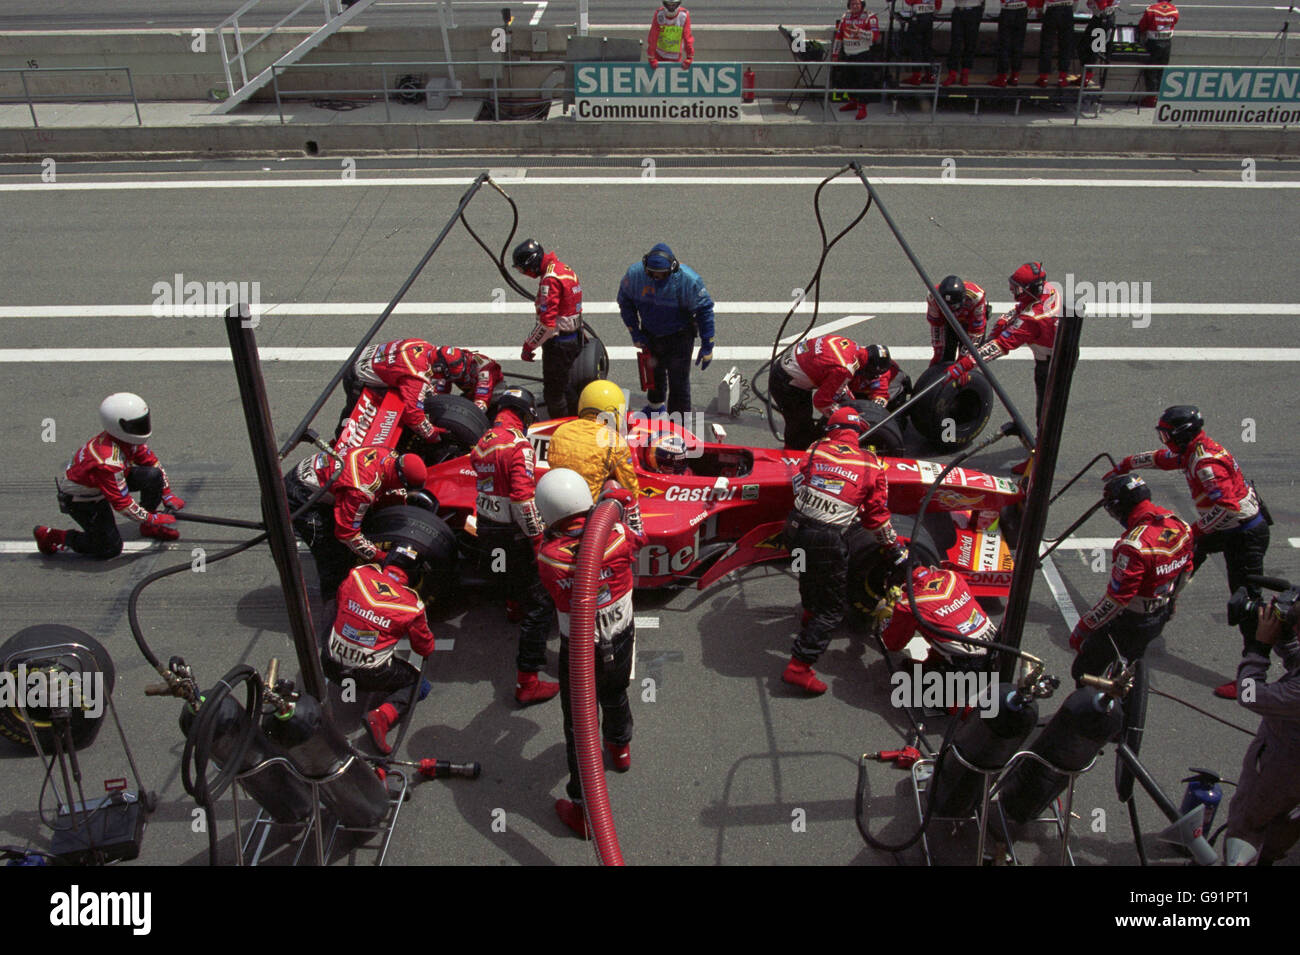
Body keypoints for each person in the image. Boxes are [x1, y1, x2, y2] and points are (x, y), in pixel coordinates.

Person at [1107, 405, 1271, 698]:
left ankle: (1252, 680)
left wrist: (1195, 530)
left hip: (1243, 533)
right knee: (1181, 561)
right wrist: (1128, 463)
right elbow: (1165, 459)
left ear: (1181, 435)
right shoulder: (1193, 450)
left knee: (1246, 604)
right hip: (1226, 527)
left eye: (1167, 434)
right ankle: (1159, 612)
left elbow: (1227, 507)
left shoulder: (1206, 464)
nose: (1164, 439)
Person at [534, 468, 647, 838]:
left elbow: (550, 546)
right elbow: (640, 536)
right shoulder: (616, 537)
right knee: (616, 694)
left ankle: (583, 808)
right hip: (622, 634)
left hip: (580, 652)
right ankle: (620, 748)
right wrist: (623, 503)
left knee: (578, 727)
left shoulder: (549, 557)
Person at [783, 407, 904, 695]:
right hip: (824, 538)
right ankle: (799, 666)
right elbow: (876, 517)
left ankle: (809, 617)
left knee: (807, 573)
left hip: (793, 528)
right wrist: (894, 548)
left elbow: (799, 479)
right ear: (859, 433)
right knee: (833, 610)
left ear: (831, 430)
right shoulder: (872, 464)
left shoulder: (816, 448)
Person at [470, 386, 560, 707]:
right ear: (524, 416)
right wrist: (539, 541)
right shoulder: (519, 446)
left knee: (506, 572)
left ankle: (512, 606)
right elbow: (523, 500)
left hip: (487, 528)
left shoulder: (482, 440)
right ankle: (527, 682)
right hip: (513, 530)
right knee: (542, 602)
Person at [1068, 475, 1193, 682]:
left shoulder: (1133, 546)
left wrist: (1084, 627)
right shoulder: (1180, 525)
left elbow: (1117, 599)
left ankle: (1099, 711)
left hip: (1129, 622)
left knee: (1083, 672)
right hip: (1159, 614)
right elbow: (1186, 571)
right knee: (1130, 666)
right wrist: (1172, 602)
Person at [946, 261, 1062, 473]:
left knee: (1045, 414)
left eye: (1017, 289)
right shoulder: (1049, 289)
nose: (1013, 292)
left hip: (1053, 365)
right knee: (1046, 412)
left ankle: (1040, 462)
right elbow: (1023, 308)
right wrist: (1008, 318)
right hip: (1055, 350)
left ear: (1032, 289)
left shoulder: (1032, 319)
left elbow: (1000, 346)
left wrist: (965, 364)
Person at [36, 393, 184, 558]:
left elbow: (152, 463)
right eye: (136, 425)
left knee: (152, 476)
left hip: (109, 480)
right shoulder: (107, 461)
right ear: (118, 426)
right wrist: (150, 517)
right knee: (108, 549)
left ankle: (147, 528)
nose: (141, 428)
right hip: (84, 499)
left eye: (142, 422)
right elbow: (122, 504)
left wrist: (167, 492)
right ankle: (51, 535)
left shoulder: (127, 441)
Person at [324, 543, 436, 755]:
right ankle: (382, 717)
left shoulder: (358, 575)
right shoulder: (411, 605)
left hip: (329, 663)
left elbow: (339, 601)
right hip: (371, 675)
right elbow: (425, 648)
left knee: (332, 607)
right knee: (420, 685)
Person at [284, 446, 428, 601]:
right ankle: (334, 605)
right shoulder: (361, 491)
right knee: (331, 554)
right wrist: (378, 555)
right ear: (399, 476)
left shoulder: (388, 454)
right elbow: (347, 534)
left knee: (359, 520)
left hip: (320, 473)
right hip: (301, 497)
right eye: (404, 486)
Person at [1224, 597, 1300, 866]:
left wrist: (1259, 647)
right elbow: (1297, 660)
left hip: (1282, 768)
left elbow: (1248, 694)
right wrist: (1286, 635)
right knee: (1289, 821)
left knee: (1247, 823)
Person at [617, 243, 716, 415]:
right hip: (650, 334)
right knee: (654, 374)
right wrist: (635, 332)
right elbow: (625, 302)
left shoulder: (688, 281)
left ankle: (679, 423)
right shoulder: (634, 276)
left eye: (661, 275)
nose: (656, 278)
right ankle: (655, 407)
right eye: (652, 273)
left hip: (680, 337)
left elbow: (704, 310)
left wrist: (708, 344)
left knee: (679, 381)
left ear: (673, 269)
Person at [513, 238, 584, 420]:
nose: (524, 273)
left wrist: (528, 347)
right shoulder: (563, 269)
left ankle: (559, 432)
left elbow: (547, 325)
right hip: (574, 337)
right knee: (565, 384)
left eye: (523, 269)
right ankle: (577, 419)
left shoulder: (550, 280)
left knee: (553, 394)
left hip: (559, 344)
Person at [880, 564, 993, 668]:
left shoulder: (908, 605)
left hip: (971, 666)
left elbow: (893, 645)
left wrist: (887, 615)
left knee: (910, 668)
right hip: (996, 646)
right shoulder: (951, 575)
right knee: (943, 626)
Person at [336, 337, 444, 445]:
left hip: (368, 358)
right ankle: (340, 443)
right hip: (358, 376)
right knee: (356, 419)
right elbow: (412, 413)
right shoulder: (416, 373)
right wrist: (432, 435)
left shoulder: (424, 345)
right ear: (439, 367)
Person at [770, 334, 869, 451]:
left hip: (792, 365)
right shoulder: (845, 368)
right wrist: (846, 419)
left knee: (808, 425)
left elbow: (834, 376)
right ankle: (791, 457)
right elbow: (821, 402)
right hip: (786, 383)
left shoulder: (850, 345)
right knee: (800, 429)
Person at [548, 380, 641, 500]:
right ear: (613, 412)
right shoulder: (615, 441)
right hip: (586, 509)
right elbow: (629, 487)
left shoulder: (561, 430)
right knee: (614, 485)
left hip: (553, 500)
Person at [832, 0, 881, 119]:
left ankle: (862, 108)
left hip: (862, 54)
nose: (854, 6)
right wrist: (835, 55)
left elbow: (875, 36)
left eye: (857, 4)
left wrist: (860, 32)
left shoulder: (870, 17)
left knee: (863, 83)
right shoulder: (845, 16)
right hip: (848, 54)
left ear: (862, 5)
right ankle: (853, 102)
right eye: (852, 4)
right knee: (847, 80)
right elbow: (839, 36)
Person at [925, 274, 989, 365]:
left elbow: (976, 331)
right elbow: (936, 325)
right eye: (946, 306)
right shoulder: (932, 296)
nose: (951, 309)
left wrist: (963, 360)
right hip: (949, 322)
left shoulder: (976, 297)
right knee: (943, 356)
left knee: (969, 361)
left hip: (970, 323)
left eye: (954, 306)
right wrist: (938, 353)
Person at [427, 346, 503, 413]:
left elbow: (482, 401)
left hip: (493, 396)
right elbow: (440, 394)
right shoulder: (446, 369)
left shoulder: (484, 367)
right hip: (470, 395)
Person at [1138, 0, 1178, 107]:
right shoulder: (1174, 9)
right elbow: (1175, 22)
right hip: (1167, 43)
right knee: (1162, 70)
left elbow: (1142, 26)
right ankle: (1159, 96)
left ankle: (1151, 98)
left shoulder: (1151, 9)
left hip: (1153, 43)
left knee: (1151, 71)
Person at [1031, 0, 1078, 88]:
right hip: (1067, 10)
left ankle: (1043, 78)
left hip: (1052, 10)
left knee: (1047, 45)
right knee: (1065, 45)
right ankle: (1062, 78)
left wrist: (1039, 10)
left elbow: (1039, 3)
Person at [942, 0, 985, 88]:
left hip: (974, 9)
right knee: (955, 44)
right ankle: (952, 74)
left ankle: (965, 73)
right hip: (959, 9)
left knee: (970, 43)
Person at [1077, 0, 1118, 88]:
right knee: (1086, 47)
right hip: (1102, 18)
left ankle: (1087, 75)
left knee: (1092, 48)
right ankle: (1086, 74)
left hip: (1102, 19)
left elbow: (1102, 5)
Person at [900, 0, 942, 86]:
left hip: (918, 16)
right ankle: (929, 74)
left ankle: (916, 76)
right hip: (929, 16)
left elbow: (908, 1)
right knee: (927, 46)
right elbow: (938, 5)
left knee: (915, 46)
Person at [989, 0, 1029, 86]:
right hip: (1022, 9)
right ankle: (1015, 77)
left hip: (1007, 9)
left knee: (1004, 45)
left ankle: (1002, 78)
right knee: (1018, 44)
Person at [648, 0, 694, 69]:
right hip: (659, 55)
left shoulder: (684, 15)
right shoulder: (659, 14)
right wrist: (651, 57)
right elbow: (653, 37)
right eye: (669, 5)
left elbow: (687, 38)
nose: (671, 7)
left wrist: (689, 57)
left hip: (675, 57)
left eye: (673, 5)